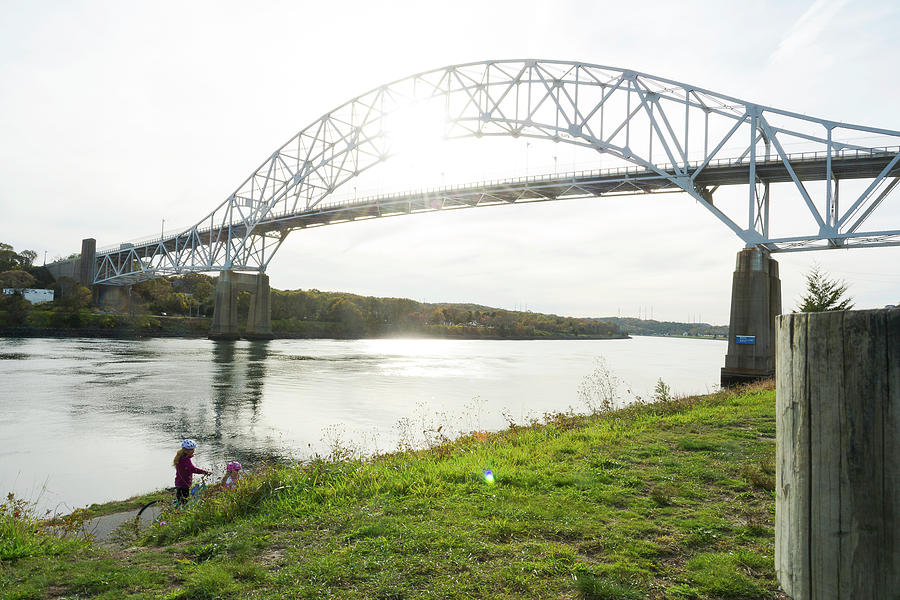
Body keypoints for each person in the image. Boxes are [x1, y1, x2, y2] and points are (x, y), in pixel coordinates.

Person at [173, 439, 211, 505]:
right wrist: (205, 472)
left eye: (193, 449)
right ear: (186, 451)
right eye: (192, 450)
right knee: (184, 502)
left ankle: (177, 509)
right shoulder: (185, 459)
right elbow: (192, 469)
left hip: (180, 482)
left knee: (181, 501)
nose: (193, 451)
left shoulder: (181, 457)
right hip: (183, 484)